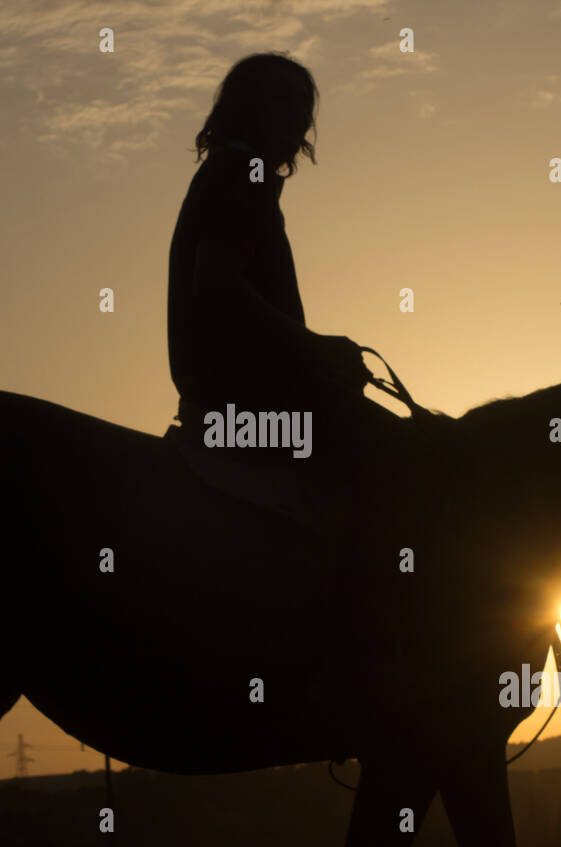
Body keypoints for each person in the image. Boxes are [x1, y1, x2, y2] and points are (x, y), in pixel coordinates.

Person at [167, 52, 402, 531]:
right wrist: (318, 349)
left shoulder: (229, 173)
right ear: (246, 107)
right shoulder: (241, 172)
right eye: (281, 101)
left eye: (302, 107)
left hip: (230, 408)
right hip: (246, 412)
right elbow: (217, 287)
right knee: (406, 467)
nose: (296, 118)